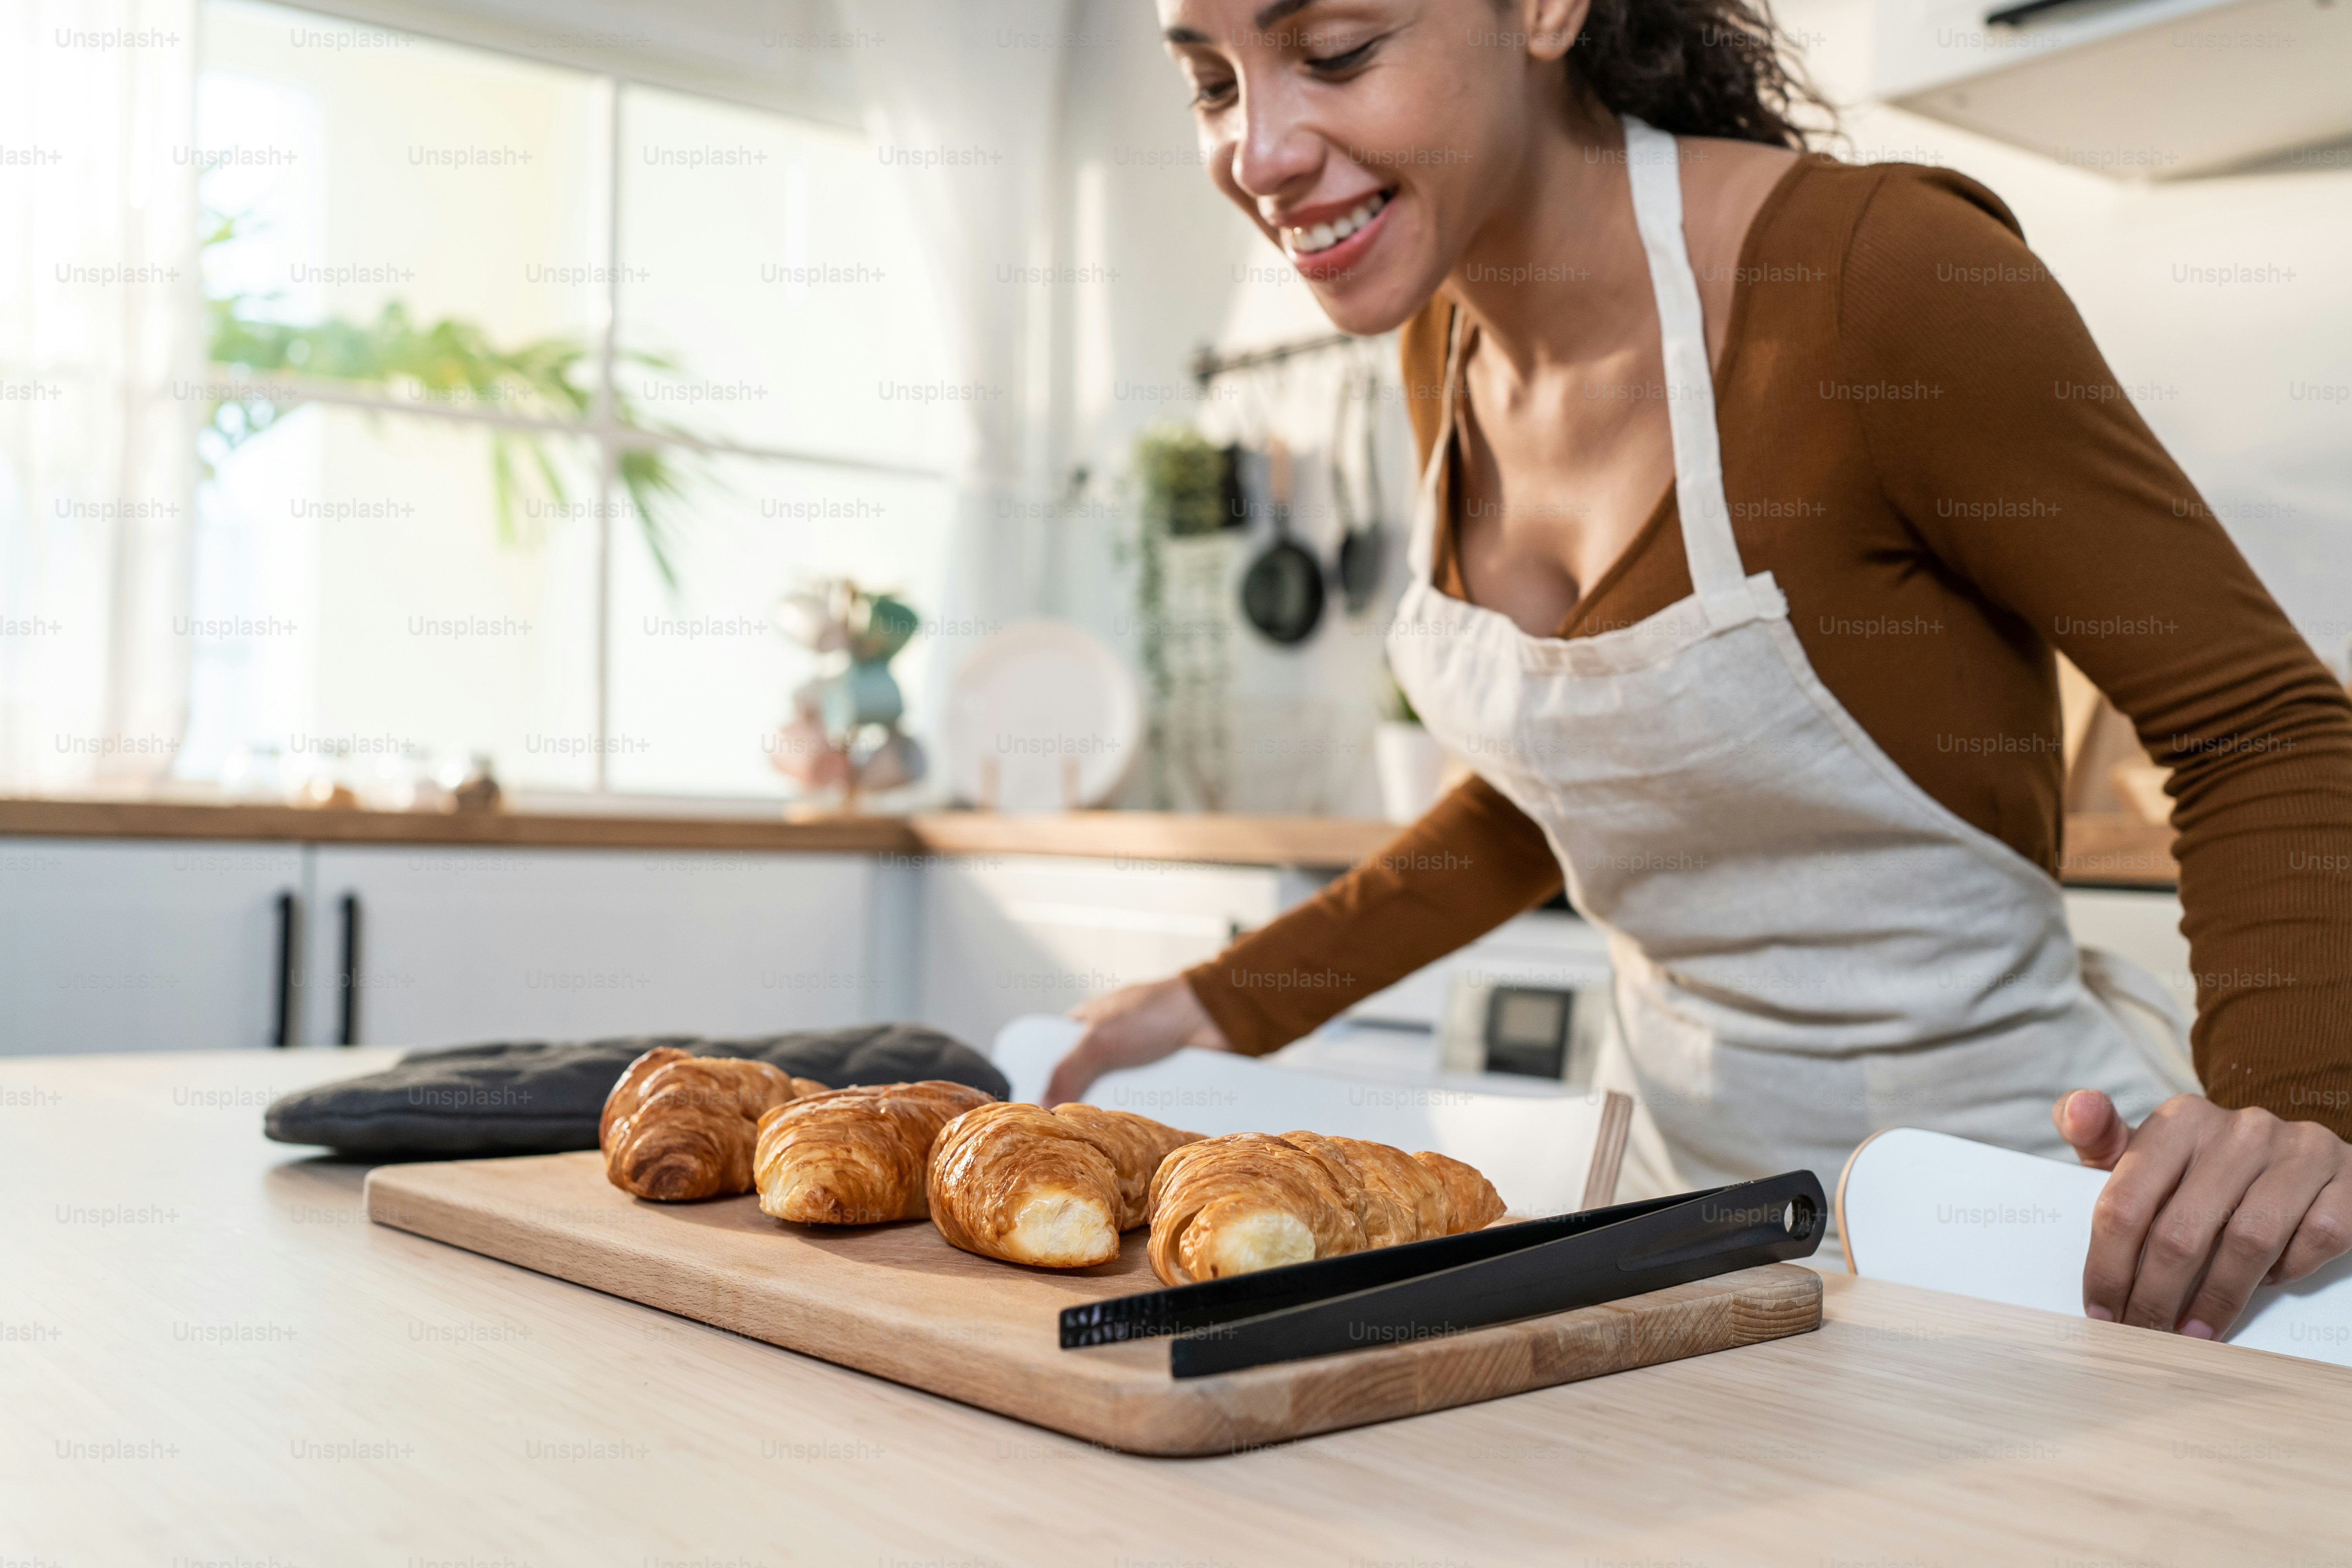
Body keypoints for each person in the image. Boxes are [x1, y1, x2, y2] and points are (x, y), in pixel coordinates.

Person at [1047, 0, 2352, 1340]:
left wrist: (2293, 1124)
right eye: (1211, 82)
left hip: (2011, 1232)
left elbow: (2260, 725)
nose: (1255, 152)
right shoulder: (1442, 344)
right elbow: (1563, 784)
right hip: (1671, 1230)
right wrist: (1222, 1000)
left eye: (1334, 54)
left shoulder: (1879, 281)